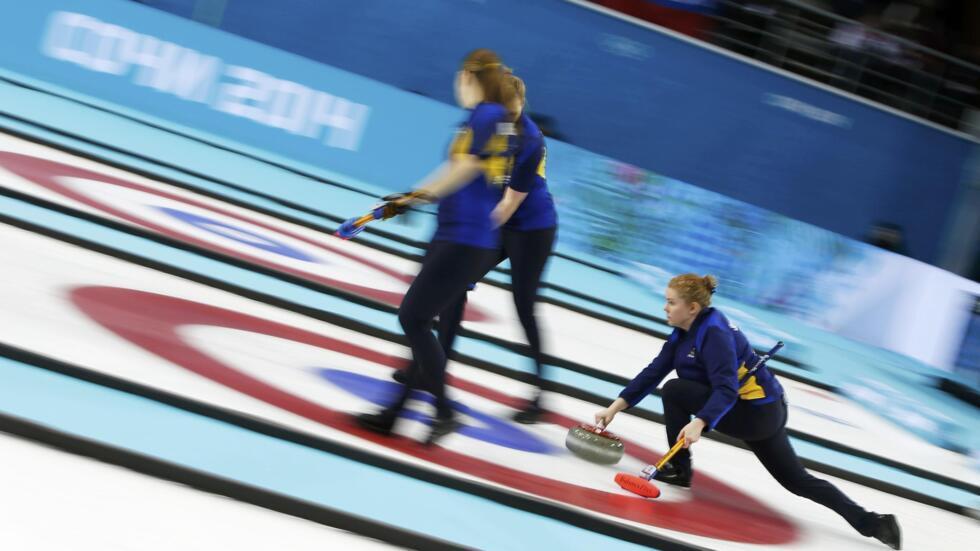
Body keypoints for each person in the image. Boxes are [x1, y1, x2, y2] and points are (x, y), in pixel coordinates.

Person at [594, 274, 902, 550]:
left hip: (757, 413)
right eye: (666, 301)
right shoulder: (683, 332)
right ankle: (875, 523)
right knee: (796, 480)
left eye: (671, 302)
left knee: (676, 389)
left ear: (692, 308)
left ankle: (679, 468)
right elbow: (654, 371)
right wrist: (615, 407)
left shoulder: (714, 334)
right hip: (761, 410)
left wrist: (699, 422)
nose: (665, 307)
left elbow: (726, 389)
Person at [356, 49, 519, 445]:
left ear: (468, 76)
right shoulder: (497, 120)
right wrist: (415, 197)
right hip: (460, 235)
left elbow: (464, 169)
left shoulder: (486, 116)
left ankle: (444, 410)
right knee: (421, 322)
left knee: (413, 319)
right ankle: (394, 414)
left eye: (458, 80)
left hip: (463, 238)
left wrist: (415, 197)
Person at [391, 72, 559, 424]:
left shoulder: (531, 140)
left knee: (523, 304)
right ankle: (431, 369)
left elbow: (509, 205)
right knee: (452, 292)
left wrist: (466, 242)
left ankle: (540, 395)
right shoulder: (488, 128)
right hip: (494, 222)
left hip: (531, 229)